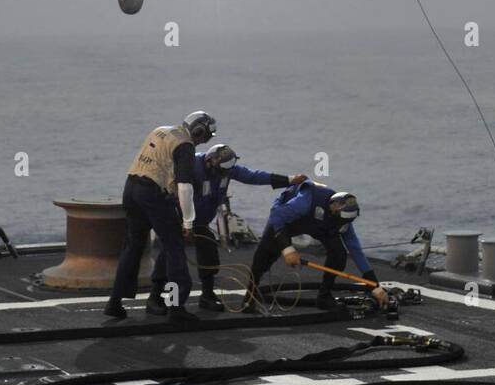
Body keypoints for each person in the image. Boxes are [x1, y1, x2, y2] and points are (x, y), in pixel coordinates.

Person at [104, 109, 216, 325]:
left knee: (133, 247)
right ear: (199, 130)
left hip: (131, 188)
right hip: (151, 193)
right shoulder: (185, 146)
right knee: (174, 247)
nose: (204, 142)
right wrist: (188, 221)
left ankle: (114, 302)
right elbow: (184, 186)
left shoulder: (161, 130)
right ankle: (176, 306)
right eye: (205, 136)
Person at [175, 143, 308, 310]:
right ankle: (161, 300)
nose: (225, 174)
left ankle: (207, 296)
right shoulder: (190, 166)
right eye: (222, 171)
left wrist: (289, 180)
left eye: (227, 171)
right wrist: (182, 221)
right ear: (210, 162)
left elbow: (253, 176)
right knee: (171, 260)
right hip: (177, 221)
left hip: (200, 222)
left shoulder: (227, 169)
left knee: (209, 256)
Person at [242, 181, 388, 312]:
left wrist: (375, 286)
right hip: (287, 222)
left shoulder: (343, 223)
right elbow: (277, 217)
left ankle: (324, 297)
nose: (343, 226)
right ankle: (249, 298)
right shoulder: (306, 201)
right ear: (334, 210)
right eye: (341, 221)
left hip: (320, 227)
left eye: (347, 223)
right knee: (264, 258)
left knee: (339, 254)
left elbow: (356, 251)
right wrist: (287, 249)